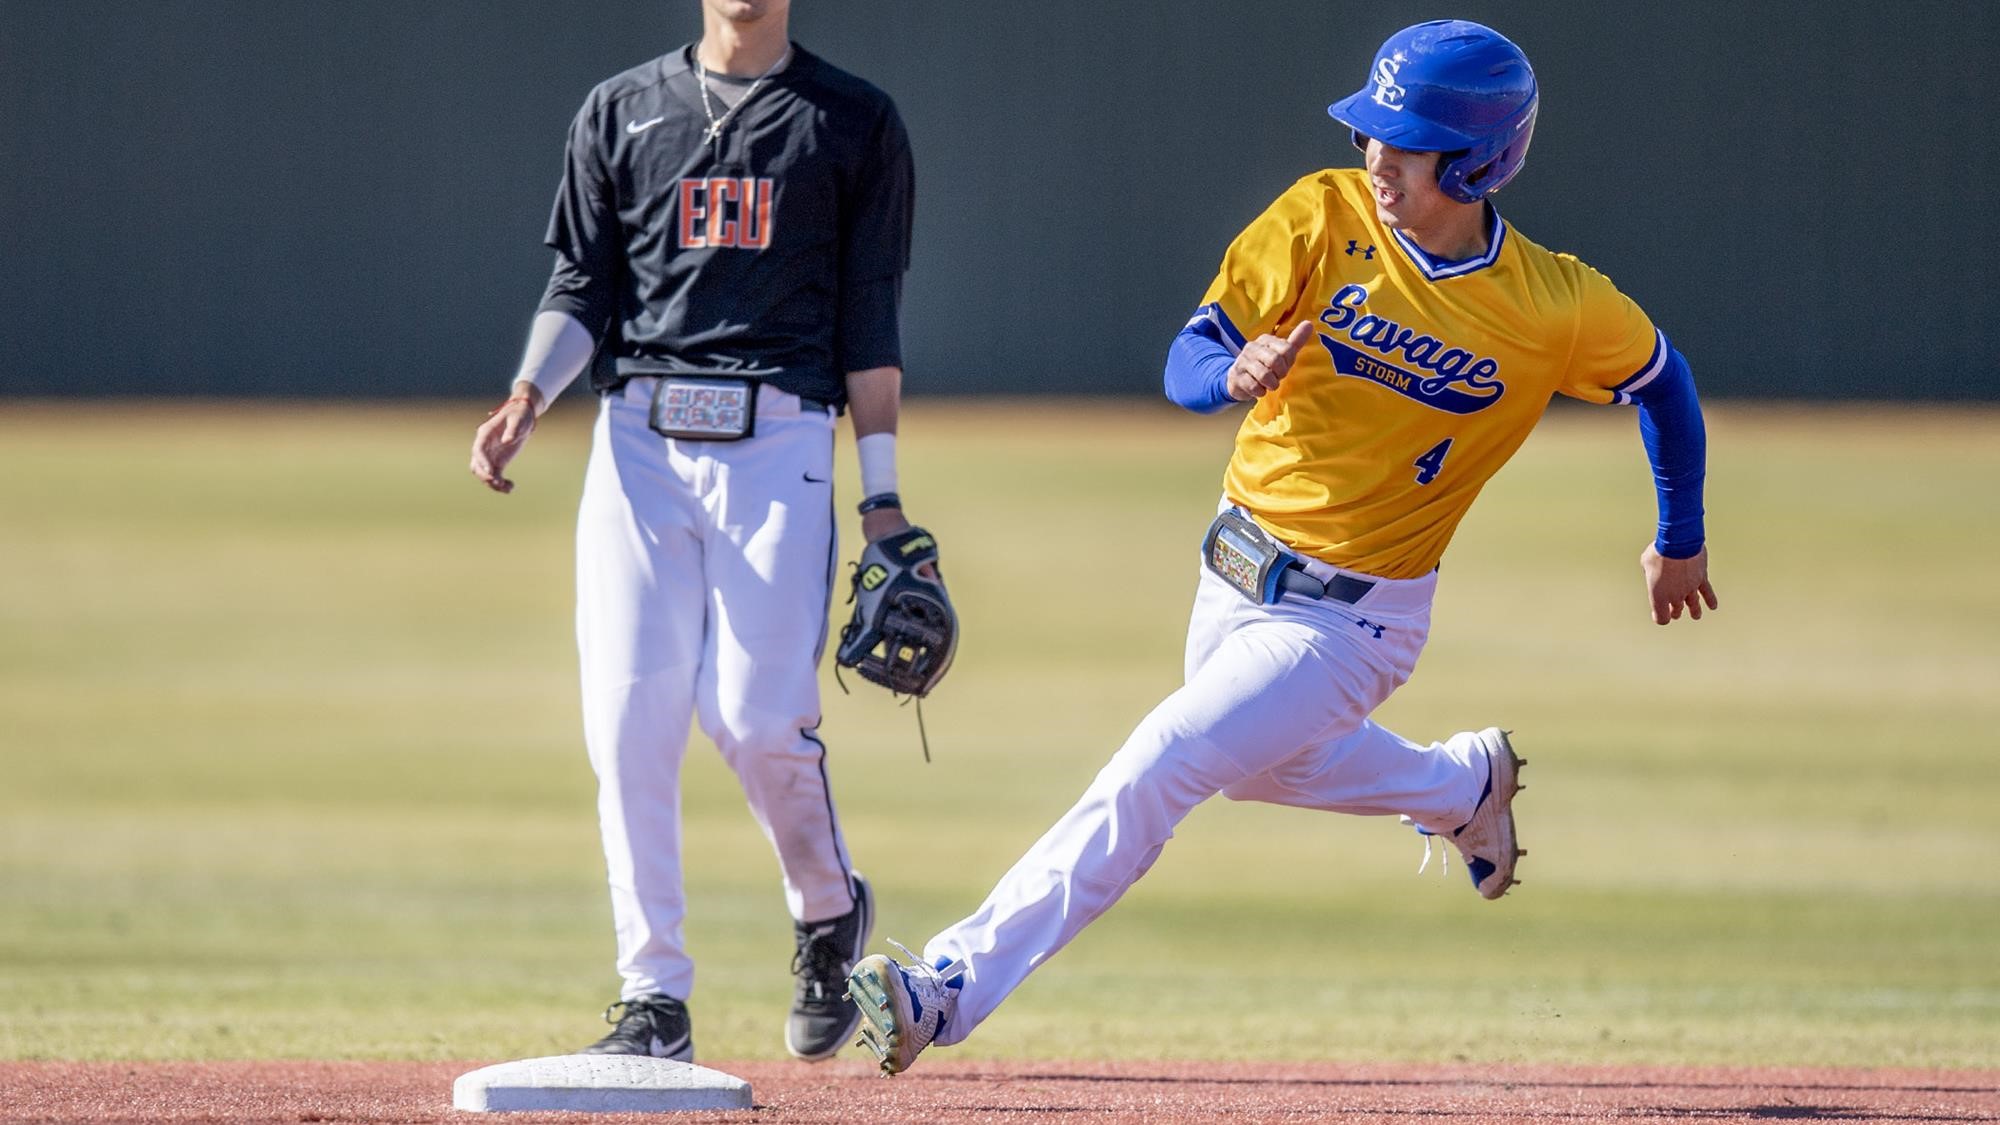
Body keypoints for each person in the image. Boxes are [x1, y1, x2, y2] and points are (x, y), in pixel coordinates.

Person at [843, 19, 1716, 1075]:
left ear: (1477, 161)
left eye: (1406, 143)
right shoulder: (1320, 215)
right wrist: (1231, 373)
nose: (1377, 157)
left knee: (1161, 764)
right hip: (1231, 568)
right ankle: (1459, 788)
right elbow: (1188, 356)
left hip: (1354, 621)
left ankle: (946, 985)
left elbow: (1662, 381)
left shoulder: (1551, 305)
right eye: (1372, 133)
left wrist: (1679, 536)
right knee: (1258, 771)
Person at [467, 0, 920, 1063]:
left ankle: (826, 907)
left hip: (782, 434)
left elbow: (870, 318)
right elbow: (582, 283)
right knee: (628, 718)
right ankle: (652, 995)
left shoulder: (851, 120)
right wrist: (528, 394)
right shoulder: (619, 109)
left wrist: (882, 496)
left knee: (757, 718)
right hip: (638, 440)